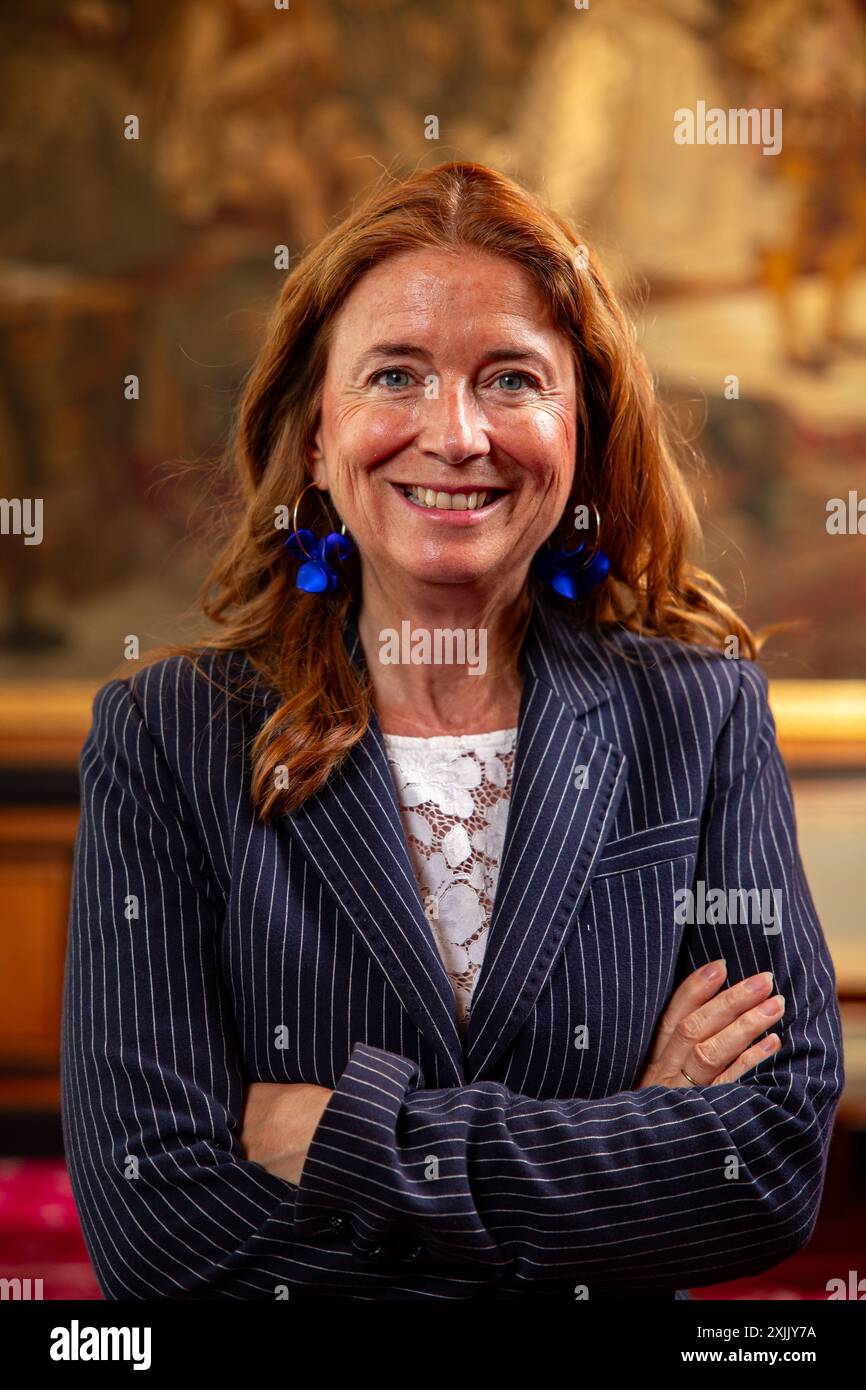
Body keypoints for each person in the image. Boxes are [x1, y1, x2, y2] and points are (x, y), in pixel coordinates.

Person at [60, 160, 844, 1301]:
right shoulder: (164, 737)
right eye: (395, 374)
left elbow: (763, 1166)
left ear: (579, 429)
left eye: (510, 378)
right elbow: (160, 1234)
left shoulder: (701, 717)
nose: (456, 432)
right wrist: (629, 1131)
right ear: (318, 438)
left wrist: (341, 1133)